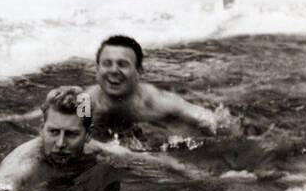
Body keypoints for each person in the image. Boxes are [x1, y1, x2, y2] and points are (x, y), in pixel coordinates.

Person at [0, 86, 119, 191]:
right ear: (42, 129)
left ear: (88, 135)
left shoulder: (96, 150)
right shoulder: (25, 164)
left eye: (71, 134)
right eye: (53, 132)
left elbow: (132, 159)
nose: (60, 143)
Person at [89, 35, 231, 135]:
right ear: (97, 70)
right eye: (107, 64)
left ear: (139, 72)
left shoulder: (156, 102)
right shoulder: (86, 100)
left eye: (122, 64)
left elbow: (207, 118)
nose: (114, 70)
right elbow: (77, 123)